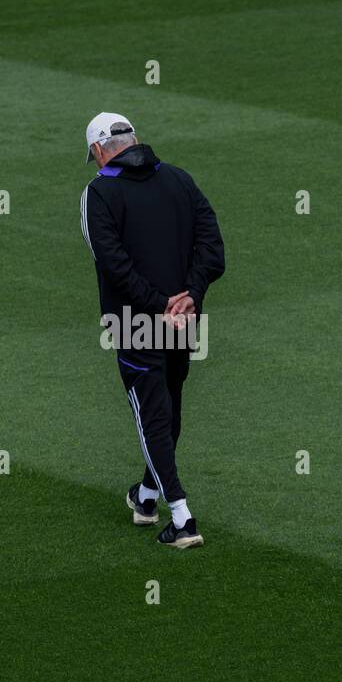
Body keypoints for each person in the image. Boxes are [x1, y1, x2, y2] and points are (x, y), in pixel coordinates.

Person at [79, 112, 225, 549]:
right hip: (184, 317)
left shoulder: (99, 194)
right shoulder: (180, 180)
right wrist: (190, 296)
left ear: (100, 150)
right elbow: (213, 250)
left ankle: (181, 517)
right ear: (135, 139)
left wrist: (160, 305)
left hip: (138, 320)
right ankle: (146, 498)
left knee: (152, 416)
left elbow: (114, 265)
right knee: (169, 407)